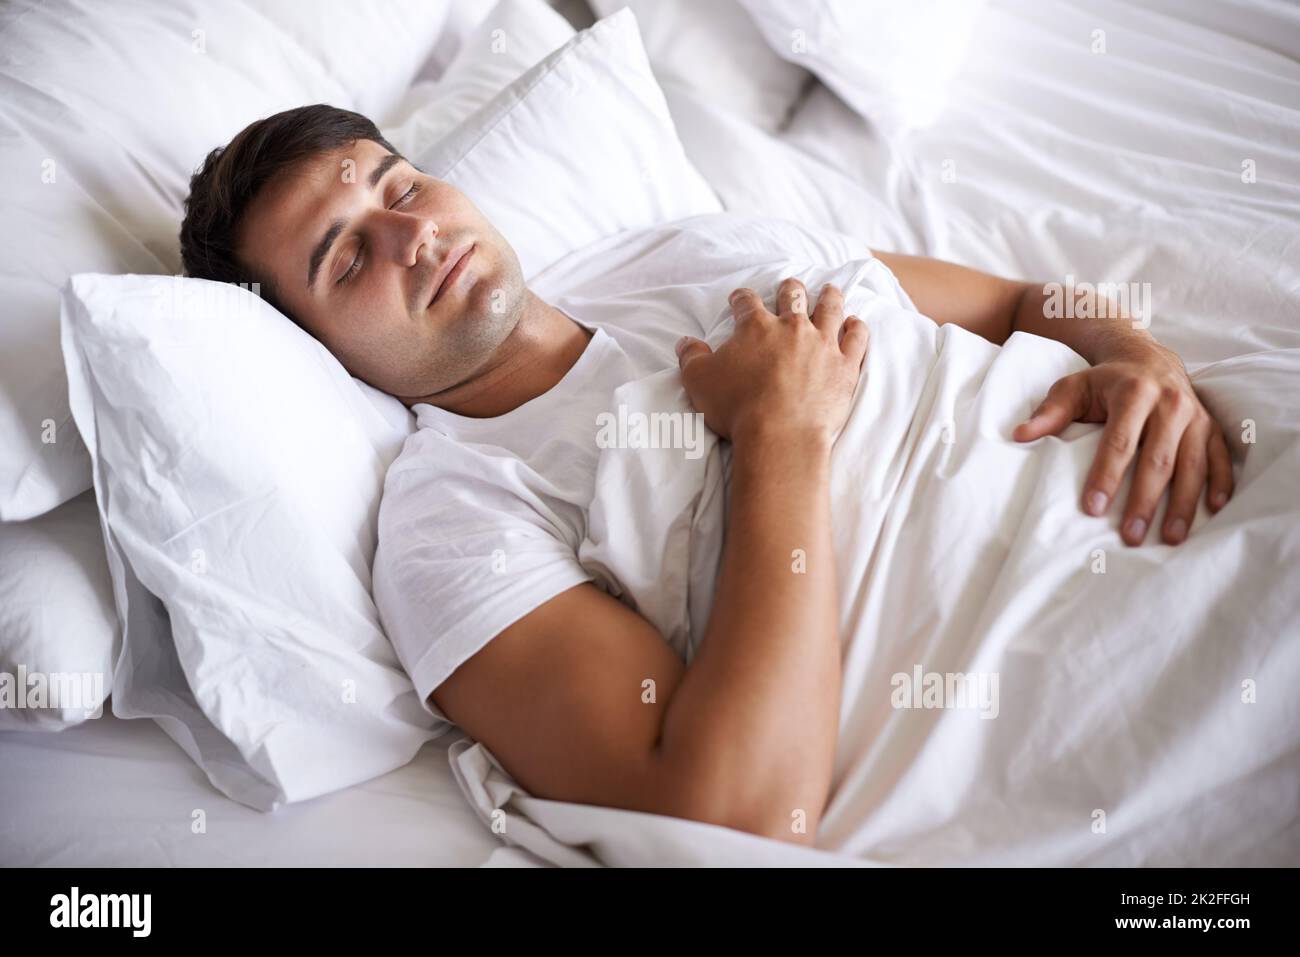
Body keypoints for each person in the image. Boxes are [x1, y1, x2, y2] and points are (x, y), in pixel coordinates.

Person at [179, 105, 1233, 846]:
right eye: (347, 259)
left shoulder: (680, 249)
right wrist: (780, 433)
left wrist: (1140, 357)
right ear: (313, 356)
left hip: (1193, 486)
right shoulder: (448, 526)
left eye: (399, 187)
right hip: (1108, 671)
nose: (414, 235)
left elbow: (1014, 303)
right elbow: (736, 818)